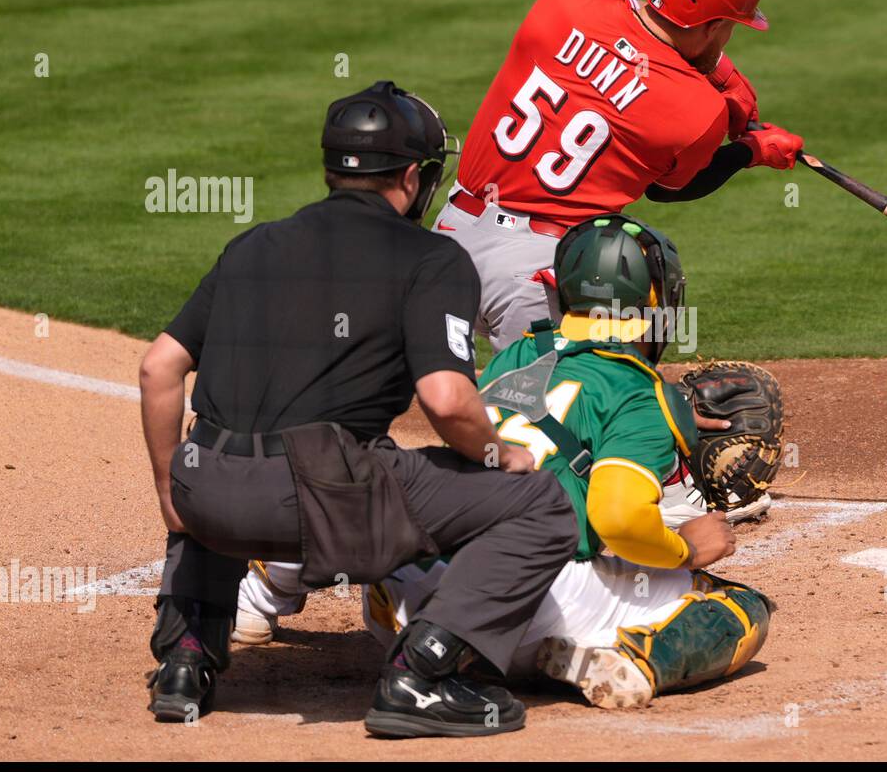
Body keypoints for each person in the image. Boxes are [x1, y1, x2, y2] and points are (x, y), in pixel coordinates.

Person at [138, 80, 579, 738]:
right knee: (540, 505)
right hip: (324, 505)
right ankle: (422, 674)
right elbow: (447, 399)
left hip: (206, 496)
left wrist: (170, 489)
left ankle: (185, 659)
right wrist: (498, 452)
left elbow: (158, 368)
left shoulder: (253, 245)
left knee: (220, 445)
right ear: (412, 176)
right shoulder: (432, 258)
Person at [239, 216, 773, 708]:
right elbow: (618, 516)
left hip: (412, 590)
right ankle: (633, 661)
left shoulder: (518, 353)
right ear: (657, 305)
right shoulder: (642, 393)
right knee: (738, 607)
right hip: (525, 611)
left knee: (400, 502)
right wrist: (686, 550)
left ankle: (261, 595)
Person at [434, 0, 804, 351]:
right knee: (552, 410)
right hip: (532, 276)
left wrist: (716, 68)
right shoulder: (698, 111)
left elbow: (638, 11)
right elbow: (667, 191)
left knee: (443, 394)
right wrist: (750, 152)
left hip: (447, 242)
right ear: (716, 25)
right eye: (732, 26)